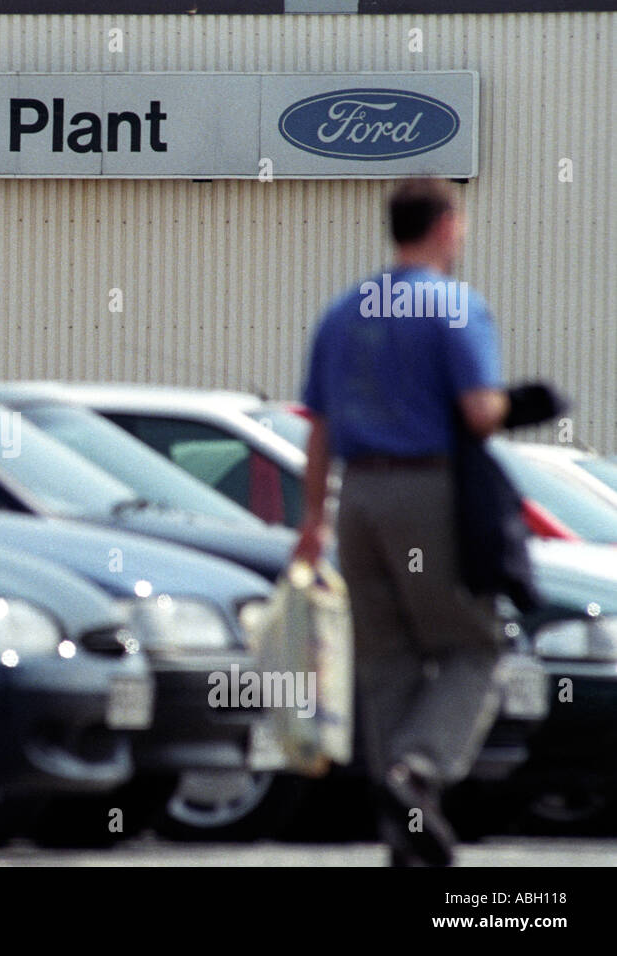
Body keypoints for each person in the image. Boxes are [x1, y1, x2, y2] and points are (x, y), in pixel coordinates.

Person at [293, 178, 509, 867]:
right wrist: (518, 403)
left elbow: (318, 424)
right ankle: (414, 772)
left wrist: (312, 522)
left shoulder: (343, 311)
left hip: (357, 499)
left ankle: (405, 834)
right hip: (427, 492)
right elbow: (479, 412)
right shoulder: (454, 305)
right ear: (446, 225)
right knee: (475, 645)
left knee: (386, 658)